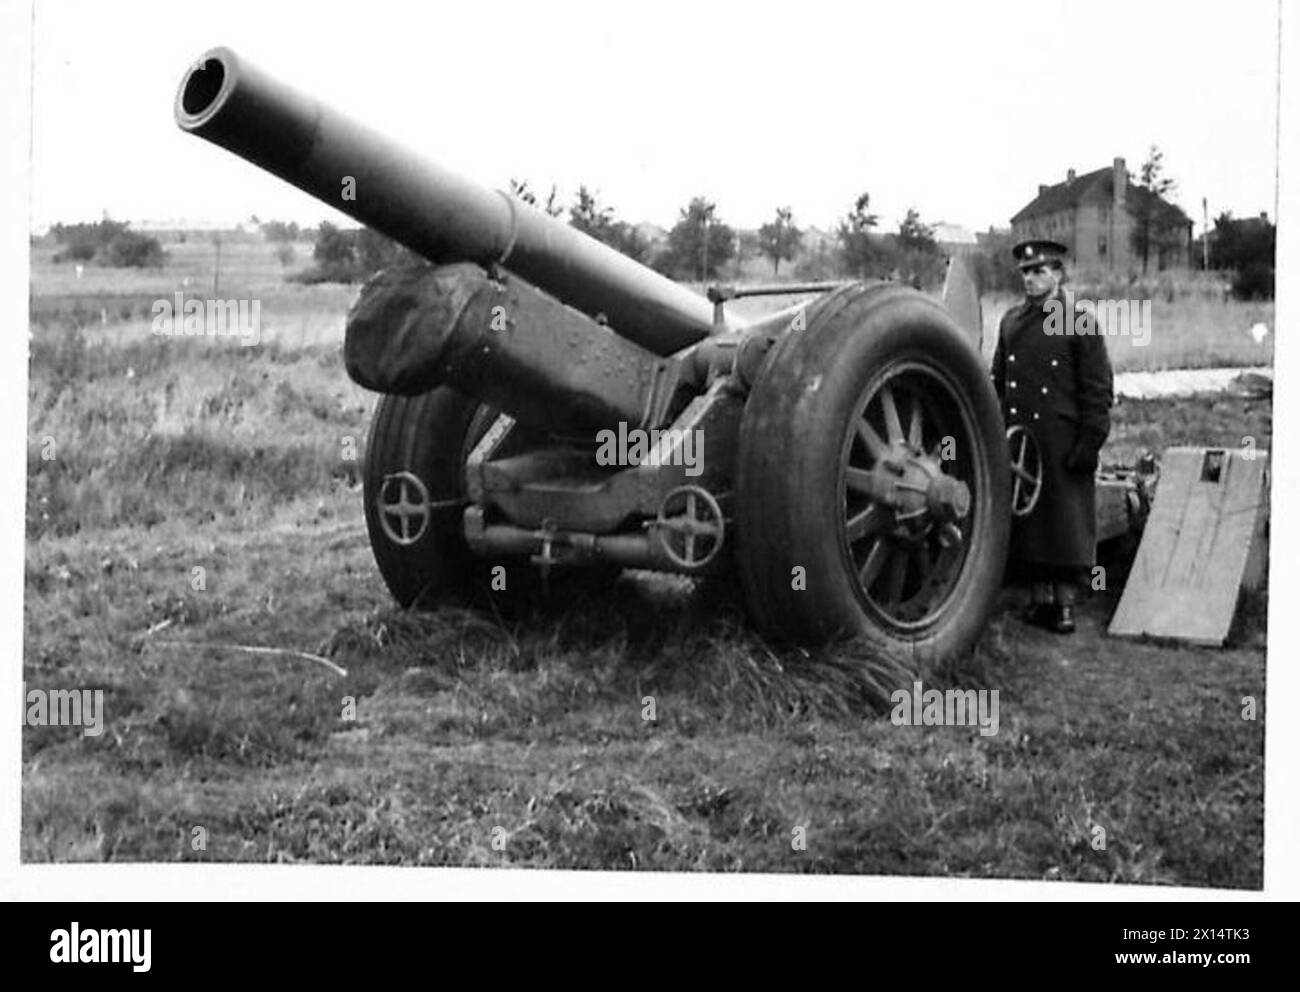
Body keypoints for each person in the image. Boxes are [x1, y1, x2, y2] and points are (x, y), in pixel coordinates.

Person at [990, 239, 1113, 633]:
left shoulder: (1079, 320)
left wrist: (1089, 443)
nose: (1031, 279)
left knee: (1065, 523)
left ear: (1058, 274)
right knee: (1029, 522)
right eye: (1026, 272)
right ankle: (1039, 600)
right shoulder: (1010, 322)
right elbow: (997, 382)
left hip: (1063, 440)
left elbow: (1097, 390)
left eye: (1040, 271)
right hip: (1022, 439)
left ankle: (1064, 606)